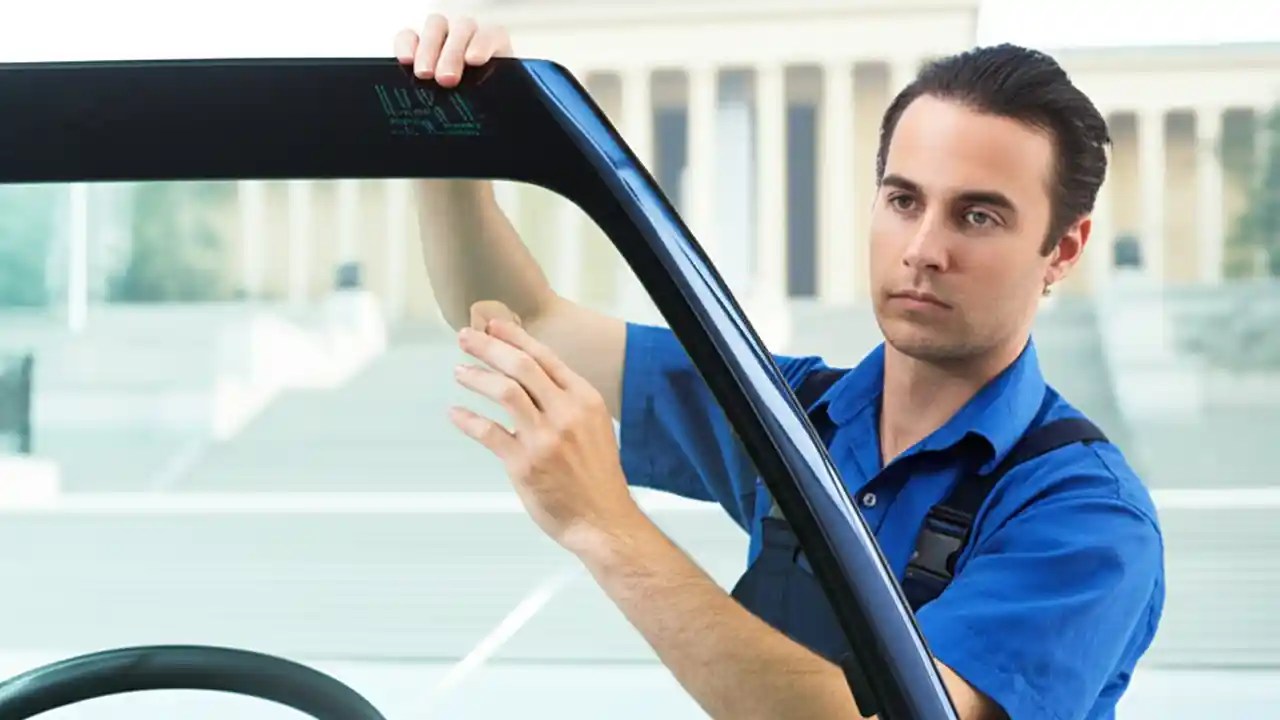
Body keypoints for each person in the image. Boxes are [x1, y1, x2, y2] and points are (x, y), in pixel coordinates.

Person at [393, 14, 1165, 720]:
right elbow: (526, 320)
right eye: (903, 200)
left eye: (978, 216)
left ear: (1063, 249)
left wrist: (606, 526)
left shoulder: (1086, 517)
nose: (923, 249)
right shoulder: (790, 413)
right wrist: (446, 140)